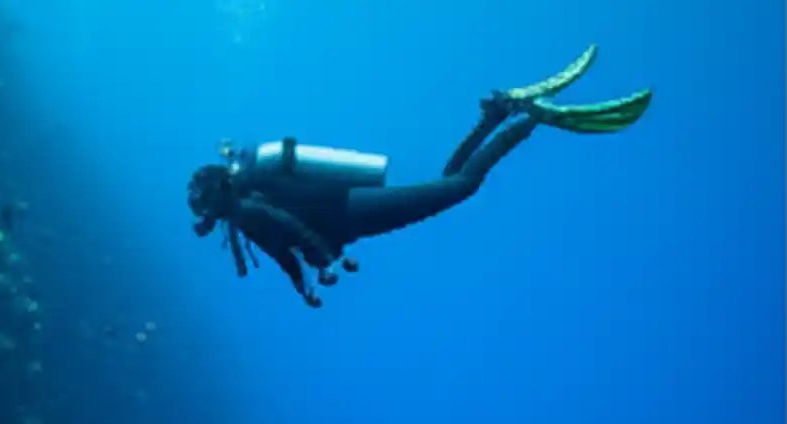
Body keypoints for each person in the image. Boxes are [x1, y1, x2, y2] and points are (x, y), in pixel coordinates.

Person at [186, 44, 652, 307]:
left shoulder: (245, 212)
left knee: (461, 186)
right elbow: (284, 252)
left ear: (216, 200)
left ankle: (530, 117)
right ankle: (496, 115)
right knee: (448, 180)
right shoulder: (246, 203)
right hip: (348, 209)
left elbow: (286, 234)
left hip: (351, 214)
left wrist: (321, 263)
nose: (208, 218)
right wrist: (305, 282)